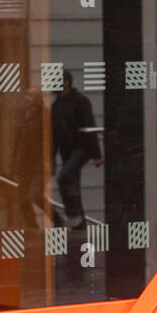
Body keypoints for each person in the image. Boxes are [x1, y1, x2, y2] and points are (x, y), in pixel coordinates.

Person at [51, 70, 102, 229]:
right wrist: (51, 159)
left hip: (82, 147)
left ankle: (73, 216)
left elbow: (90, 126)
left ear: (66, 82)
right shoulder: (56, 105)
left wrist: (96, 155)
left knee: (64, 177)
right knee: (73, 184)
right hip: (67, 150)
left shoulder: (80, 101)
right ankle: (80, 224)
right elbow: (54, 136)